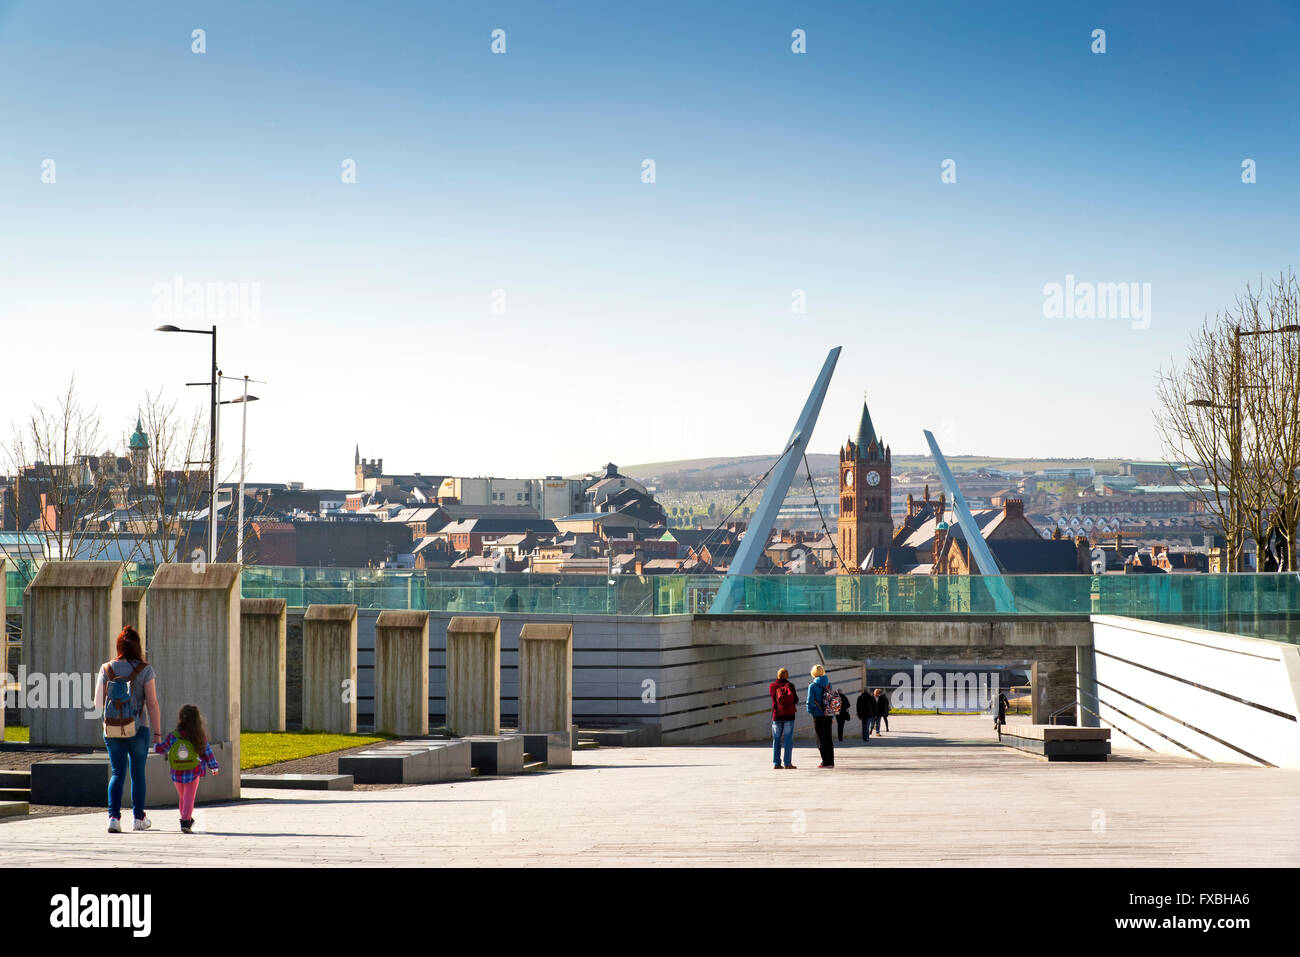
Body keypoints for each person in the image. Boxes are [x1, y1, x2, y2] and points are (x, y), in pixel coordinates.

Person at [94, 626, 161, 834]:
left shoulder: (106, 668)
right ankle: (138, 818)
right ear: (138, 646)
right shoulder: (145, 669)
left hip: (113, 729)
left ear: (118, 646)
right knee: (138, 773)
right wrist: (157, 734)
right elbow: (152, 704)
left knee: (117, 772)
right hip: (139, 728)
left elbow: (97, 703)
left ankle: (113, 818)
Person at [155, 704, 221, 834]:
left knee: (183, 797)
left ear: (180, 718)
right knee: (189, 798)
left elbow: (162, 748)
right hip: (193, 771)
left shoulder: (173, 735)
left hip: (177, 772)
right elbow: (208, 753)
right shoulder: (198, 737)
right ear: (197, 720)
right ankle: (185, 821)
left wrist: (155, 745)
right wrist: (214, 767)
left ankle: (186, 819)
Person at [768, 667, 799, 769]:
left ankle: (776, 763)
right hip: (789, 716)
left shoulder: (772, 686)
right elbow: (796, 699)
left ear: (778, 675)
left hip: (776, 716)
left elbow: (774, 700)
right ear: (787, 675)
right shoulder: (790, 686)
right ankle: (787, 763)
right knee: (788, 739)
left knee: (776, 740)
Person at [806, 665, 835, 768]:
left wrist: (810, 711)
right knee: (828, 737)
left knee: (820, 738)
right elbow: (831, 701)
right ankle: (831, 762)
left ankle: (825, 761)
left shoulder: (812, 686)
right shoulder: (828, 684)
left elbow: (810, 701)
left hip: (818, 715)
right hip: (828, 714)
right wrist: (832, 717)